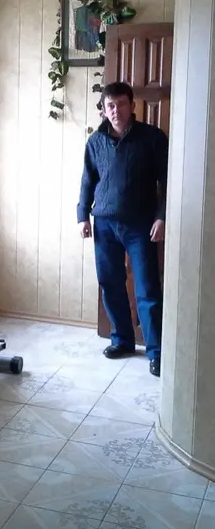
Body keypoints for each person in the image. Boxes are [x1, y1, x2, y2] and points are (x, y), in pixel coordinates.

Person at [77, 81, 168, 377]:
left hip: (141, 225)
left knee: (147, 288)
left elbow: (168, 180)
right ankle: (123, 340)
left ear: (132, 106)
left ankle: (156, 352)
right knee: (110, 282)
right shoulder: (95, 142)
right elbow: (88, 180)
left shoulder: (152, 138)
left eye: (121, 104)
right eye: (110, 106)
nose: (116, 110)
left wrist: (162, 217)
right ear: (103, 110)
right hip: (104, 224)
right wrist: (82, 216)